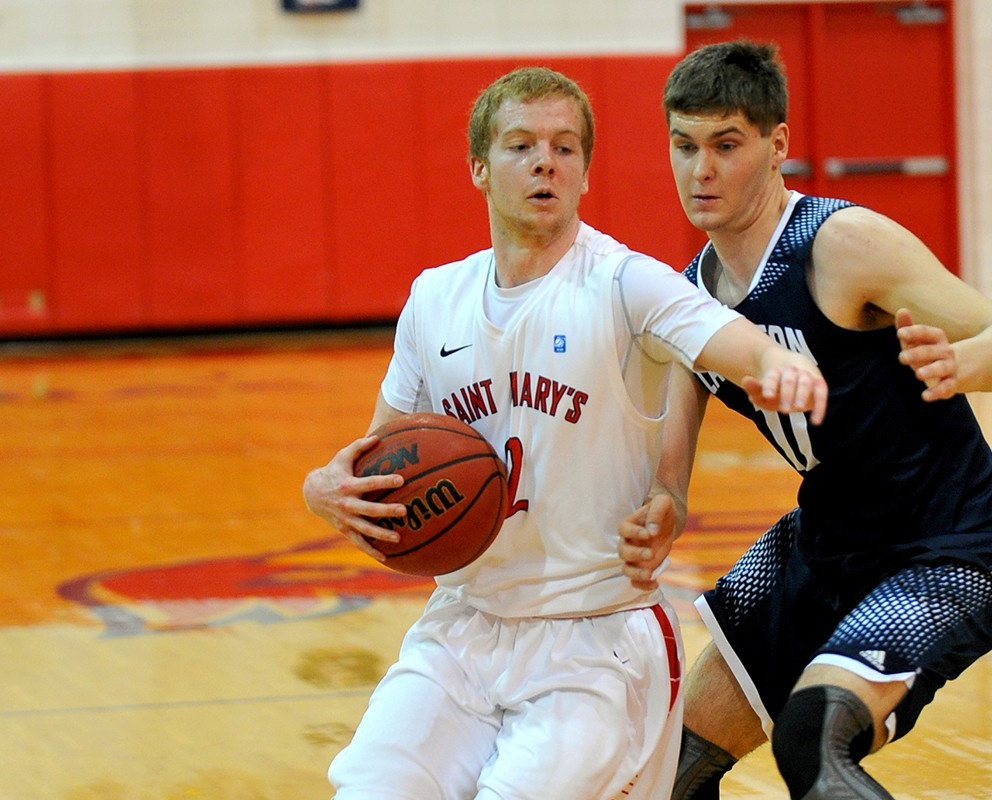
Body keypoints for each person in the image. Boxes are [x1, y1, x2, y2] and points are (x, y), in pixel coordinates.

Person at [303, 66, 828, 800]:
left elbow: (722, 337)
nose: (546, 161)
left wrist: (777, 364)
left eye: (565, 147)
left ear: (584, 171)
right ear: (480, 168)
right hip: (462, 626)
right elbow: (375, 459)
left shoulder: (624, 282)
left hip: (595, 637)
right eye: (521, 145)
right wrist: (323, 487)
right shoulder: (434, 299)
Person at [618, 41, 992, 800]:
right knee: (666, 767)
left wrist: (962, 365)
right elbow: (672, 470)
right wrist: (664, 504)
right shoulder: (690, 299)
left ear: (778, 143)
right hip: (823, 545)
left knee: (813, 737)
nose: (702, 171)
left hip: (949, 546)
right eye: (684, 146)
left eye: (727, 145)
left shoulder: (840, 244)